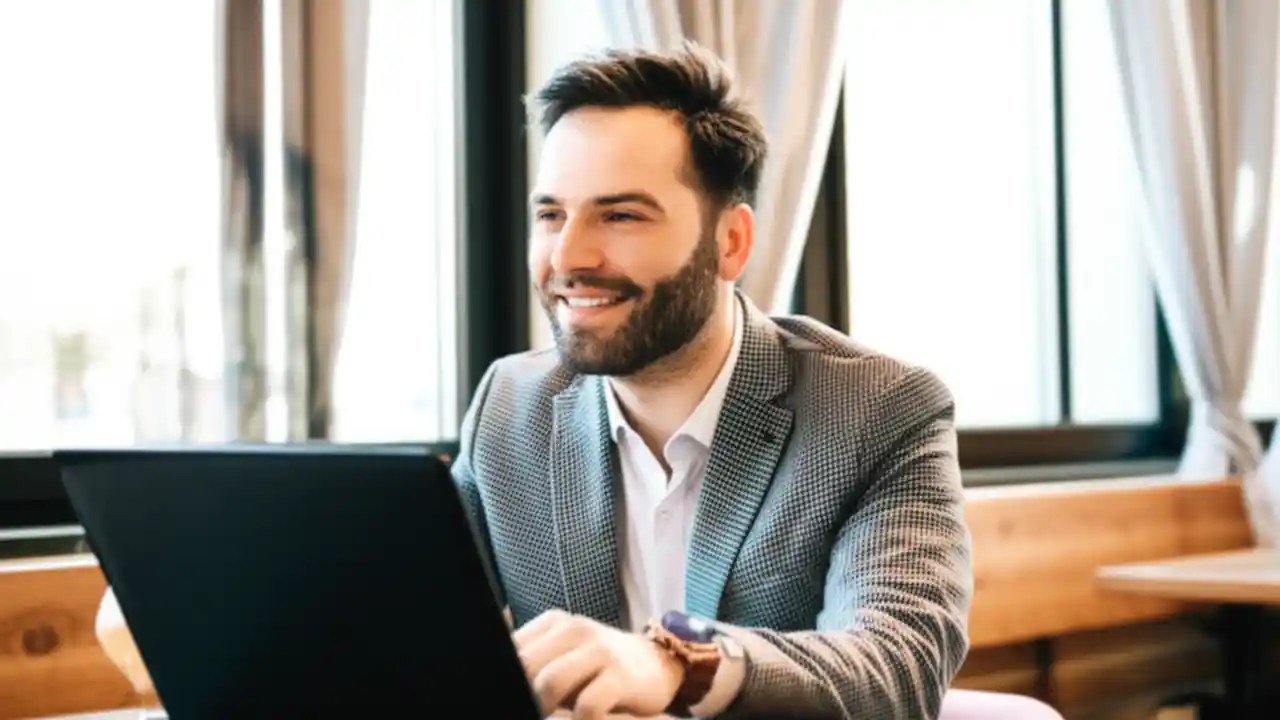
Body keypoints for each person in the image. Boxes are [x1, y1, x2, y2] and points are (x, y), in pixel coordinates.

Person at [99, 42, 972, 719]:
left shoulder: (881, 409)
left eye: (621, 215)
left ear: (730, 244)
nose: (569, 257)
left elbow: (895, 667)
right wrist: (233, 606)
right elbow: (432, 631)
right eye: (551, 214)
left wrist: (676, 660)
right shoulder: (514, 405)